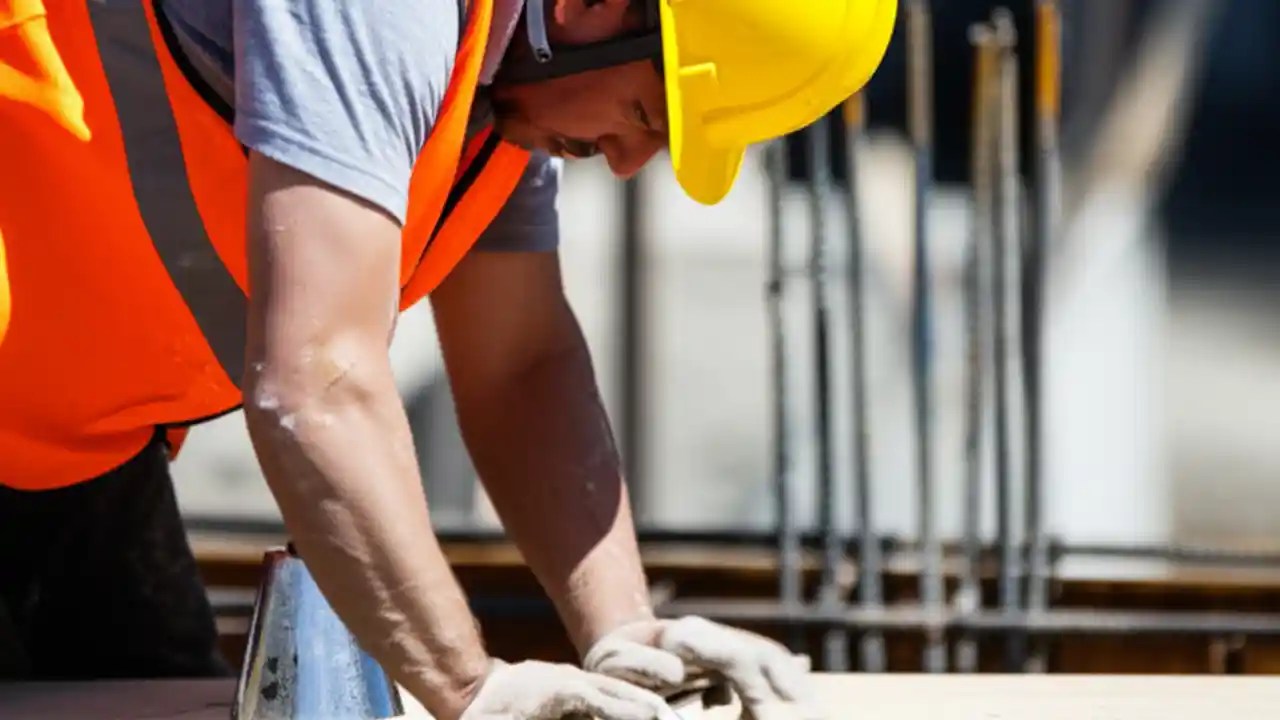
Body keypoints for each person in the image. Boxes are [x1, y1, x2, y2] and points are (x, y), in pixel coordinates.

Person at [0, 0, 895, 717]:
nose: (627, 164)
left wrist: (625, 632)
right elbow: (315, 382)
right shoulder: (385, 15)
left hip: (65, 454)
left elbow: (521, 367)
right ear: (595, 7)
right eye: (647, 115)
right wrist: (472, 689)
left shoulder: (496, 86)